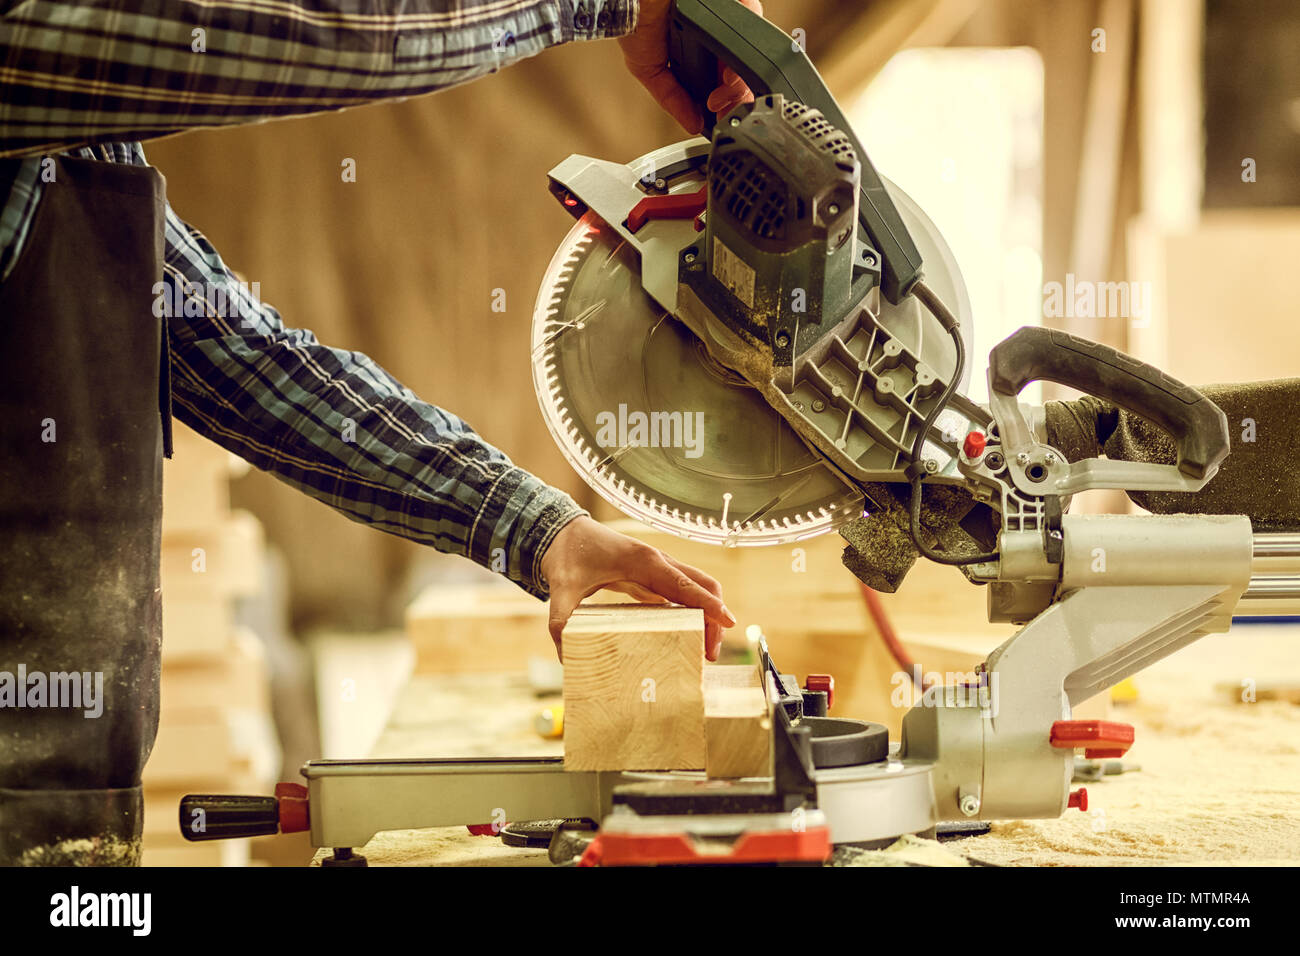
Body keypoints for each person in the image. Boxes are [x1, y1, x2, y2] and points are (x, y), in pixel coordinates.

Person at [0, 0, 760, 865]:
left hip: (55, 806)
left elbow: (267, 372)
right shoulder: (23, 51)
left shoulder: (69, 158)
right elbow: (309, 35)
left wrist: (543, 531)